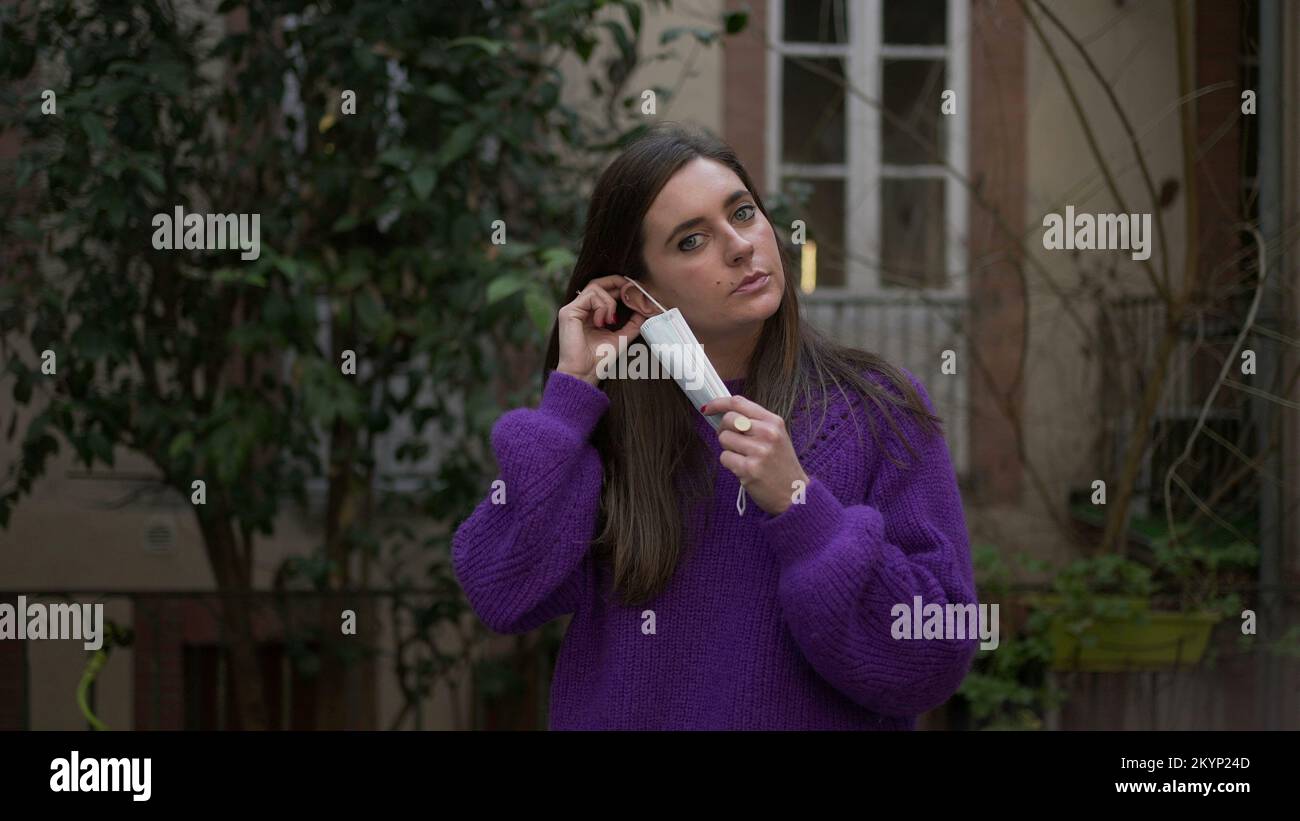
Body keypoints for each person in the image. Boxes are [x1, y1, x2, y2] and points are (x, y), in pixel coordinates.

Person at [452, 123, 979, 730]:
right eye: (691, 241)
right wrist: (570, 398)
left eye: (744, 213)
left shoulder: (876, 410)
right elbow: (501, 592)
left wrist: (801, 507)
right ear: (638, 292)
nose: (739, 245)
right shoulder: (610, 431)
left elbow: (933, 661)